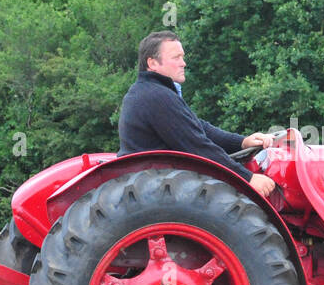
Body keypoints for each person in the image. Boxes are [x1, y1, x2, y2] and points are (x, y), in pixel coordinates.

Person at [118, 32, 277, 197]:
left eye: (183, 57)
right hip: (155, 190)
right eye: (176, 57)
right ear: (152, 63)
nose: (183, 63)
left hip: (152, 183)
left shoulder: (150, 91)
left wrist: (242, 142)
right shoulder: (156, 96)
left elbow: (199, 127)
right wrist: (247, 178)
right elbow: (197, 146)